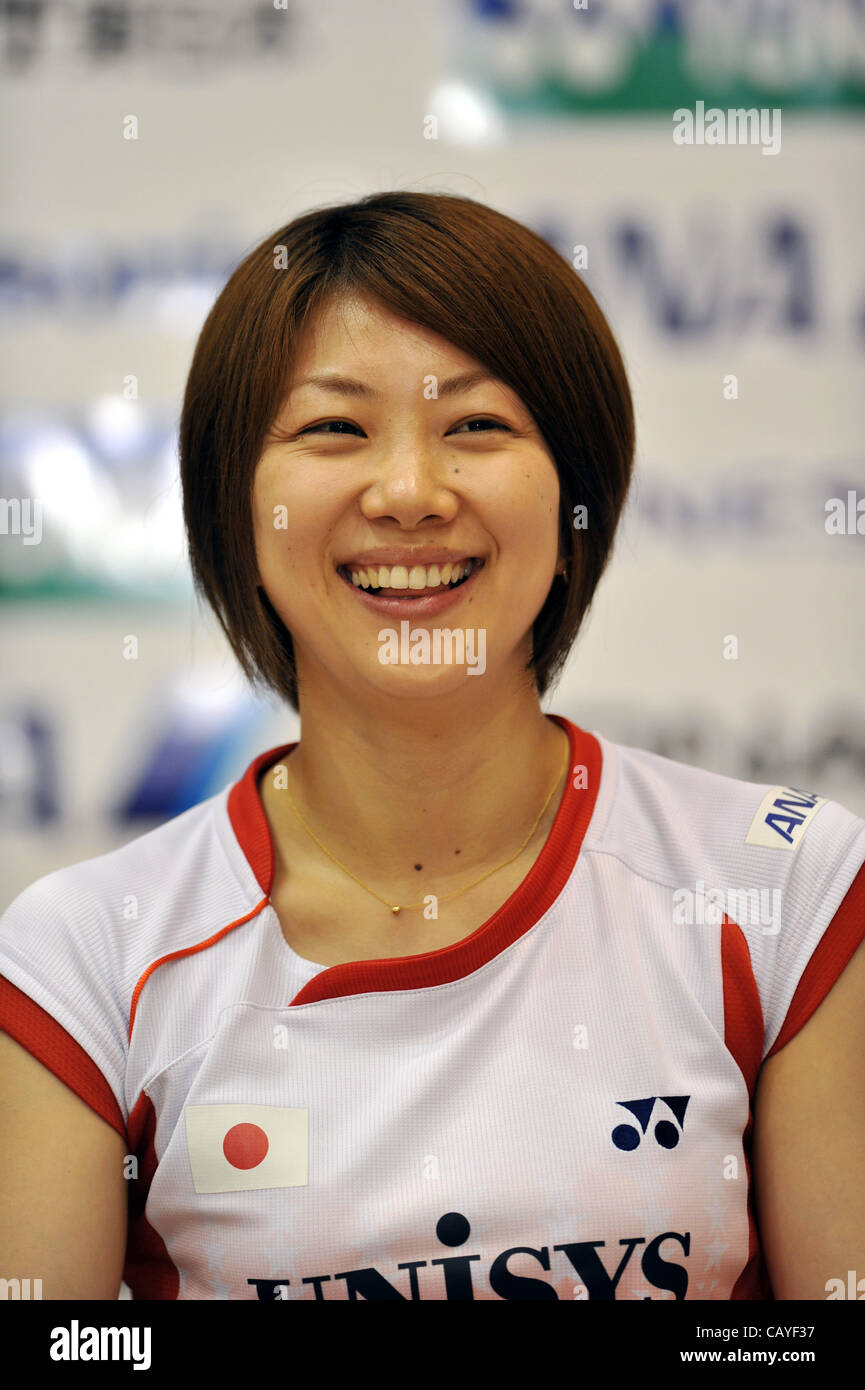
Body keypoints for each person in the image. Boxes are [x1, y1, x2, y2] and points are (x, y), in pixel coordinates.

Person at [1, 191, 863, 1302]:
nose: (409, 493)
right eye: (333, 429)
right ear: (233, 508)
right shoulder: (86, 956)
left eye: (477, 427)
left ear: (575, 507)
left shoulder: (777, 886)